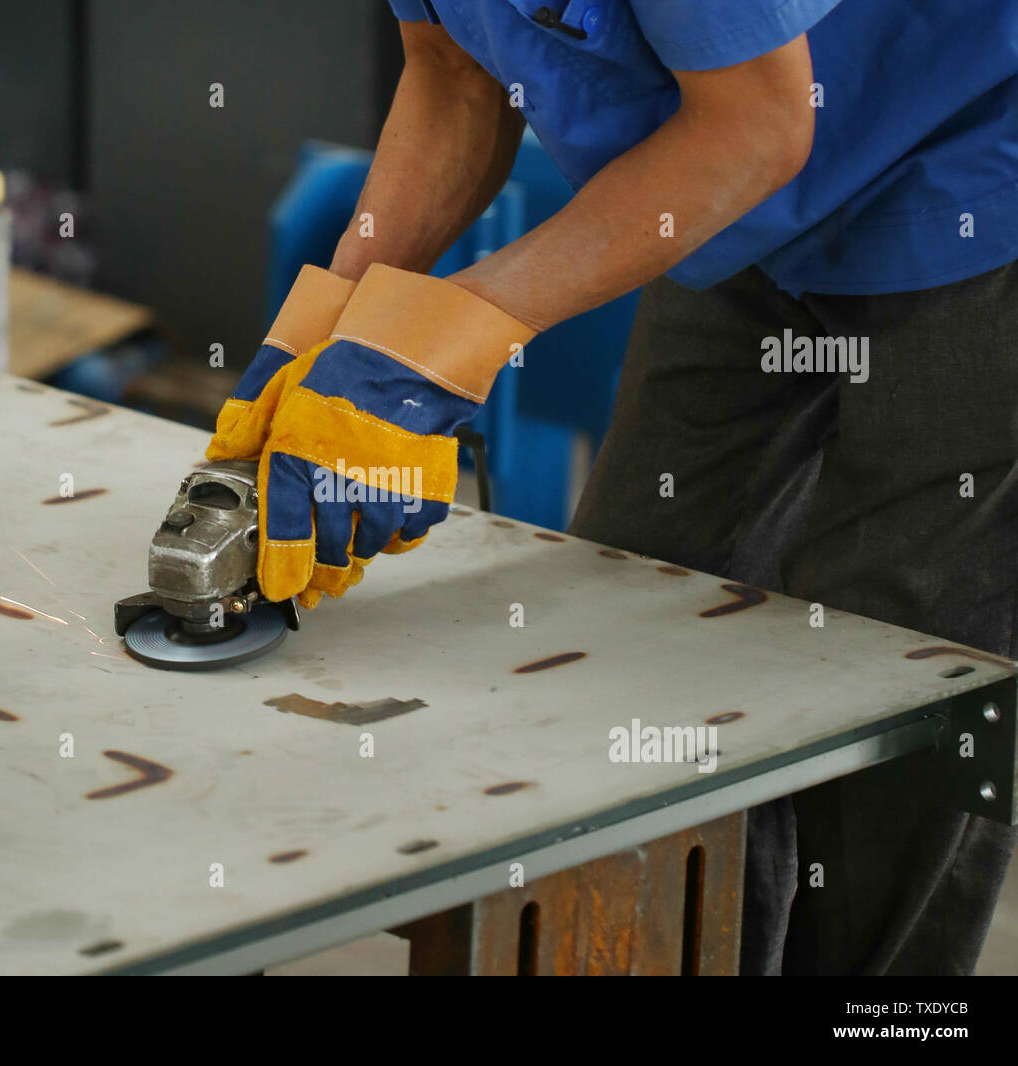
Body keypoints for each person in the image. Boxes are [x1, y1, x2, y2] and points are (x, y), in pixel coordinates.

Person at [206, 1, 1018, 974]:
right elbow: (455, 77)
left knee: (907, 675)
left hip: (974, 165)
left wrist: (447, 340)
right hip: (724, 196)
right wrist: (330, 324)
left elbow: (760, 124)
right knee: (637, 623)